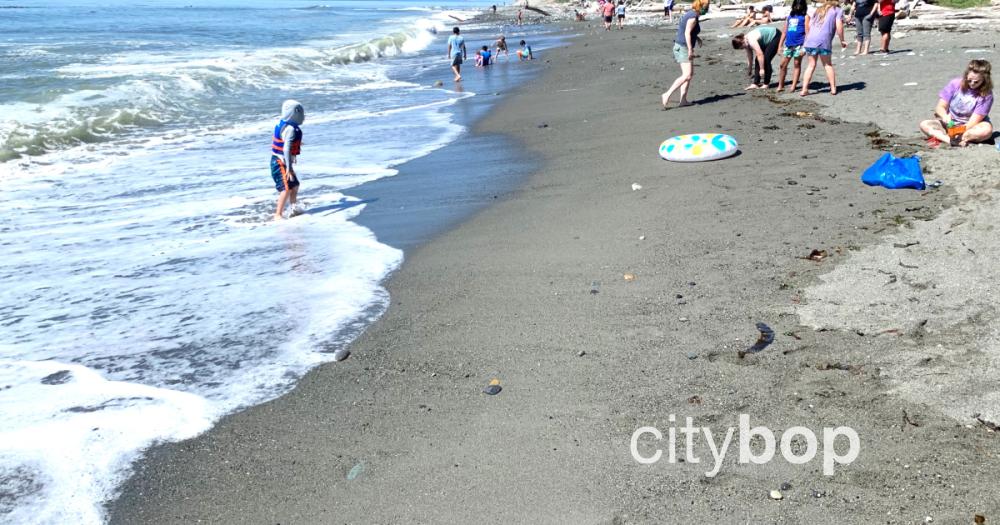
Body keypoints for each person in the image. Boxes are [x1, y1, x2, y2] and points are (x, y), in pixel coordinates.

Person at [919, 60, 994, 147]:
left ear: (984, 80)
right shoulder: (955, 84)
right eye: (969, 80)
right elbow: (940, 107)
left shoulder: (986, 95)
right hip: (950, 124)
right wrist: (945, 117)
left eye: (976, 82)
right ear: (966, 75)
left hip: (970, 127)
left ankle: (959, 138)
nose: (972, 84)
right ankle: (950, 141)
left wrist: (958, 131)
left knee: (986, 130)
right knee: (924, 124)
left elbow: (973, 122)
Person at [661, 0, 709, 109]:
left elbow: (687, 31)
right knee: (687, 75)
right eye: (706, 6)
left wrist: (697, 38)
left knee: (689, 75)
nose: (707, 9)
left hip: (682, 46)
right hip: (683, 47)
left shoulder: (691, 13)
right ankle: (667, 94)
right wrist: (690, 49)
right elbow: (687, 33)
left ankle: (683, 100)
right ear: (701, 6)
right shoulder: (693, 17)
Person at [799, 0, 847, 96]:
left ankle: (804, 89)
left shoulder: (818, 9)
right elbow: (839, 26)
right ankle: (833, 88)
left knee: (811, 65)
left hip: (811, 40)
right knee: (827, 65)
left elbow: (809, 25)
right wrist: (842, 40)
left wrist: (807, 39)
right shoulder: (837, 10)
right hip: (823, 41)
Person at [270, 100, 305, 220]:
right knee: (286, 188)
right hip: (279, 162)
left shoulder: (286, 125)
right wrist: (289, 168)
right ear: (294, 112)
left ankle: (293, 208)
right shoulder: (289, 129)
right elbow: (286, 149)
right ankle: (278, 215)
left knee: (295, 185)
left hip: (285, 162)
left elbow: (287, 142)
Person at [732, 25, 782, 90]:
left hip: (775, 35)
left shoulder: (751, 40)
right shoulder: (745, 42)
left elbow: (760, 54)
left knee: (766, 59)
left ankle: (766, 83)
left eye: (742, 48)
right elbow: (750, 56)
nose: (743, 49)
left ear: (742, 42)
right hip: (765, 40)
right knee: (757, 60)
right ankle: (755, 83)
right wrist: (749, 69)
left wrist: (762, 69)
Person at [776, 0, 809, 92]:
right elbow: (784, 31)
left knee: (796, 64)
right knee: (782, 65)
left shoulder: (805, 17)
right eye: (796, 5)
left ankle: (793, 86)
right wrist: (780, 45)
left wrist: (805, 47)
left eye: (799, 5)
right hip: (788, 44)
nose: (797, 7)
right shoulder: (790, 16)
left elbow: (807, 33)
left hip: (799, 44)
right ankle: (780, 85)